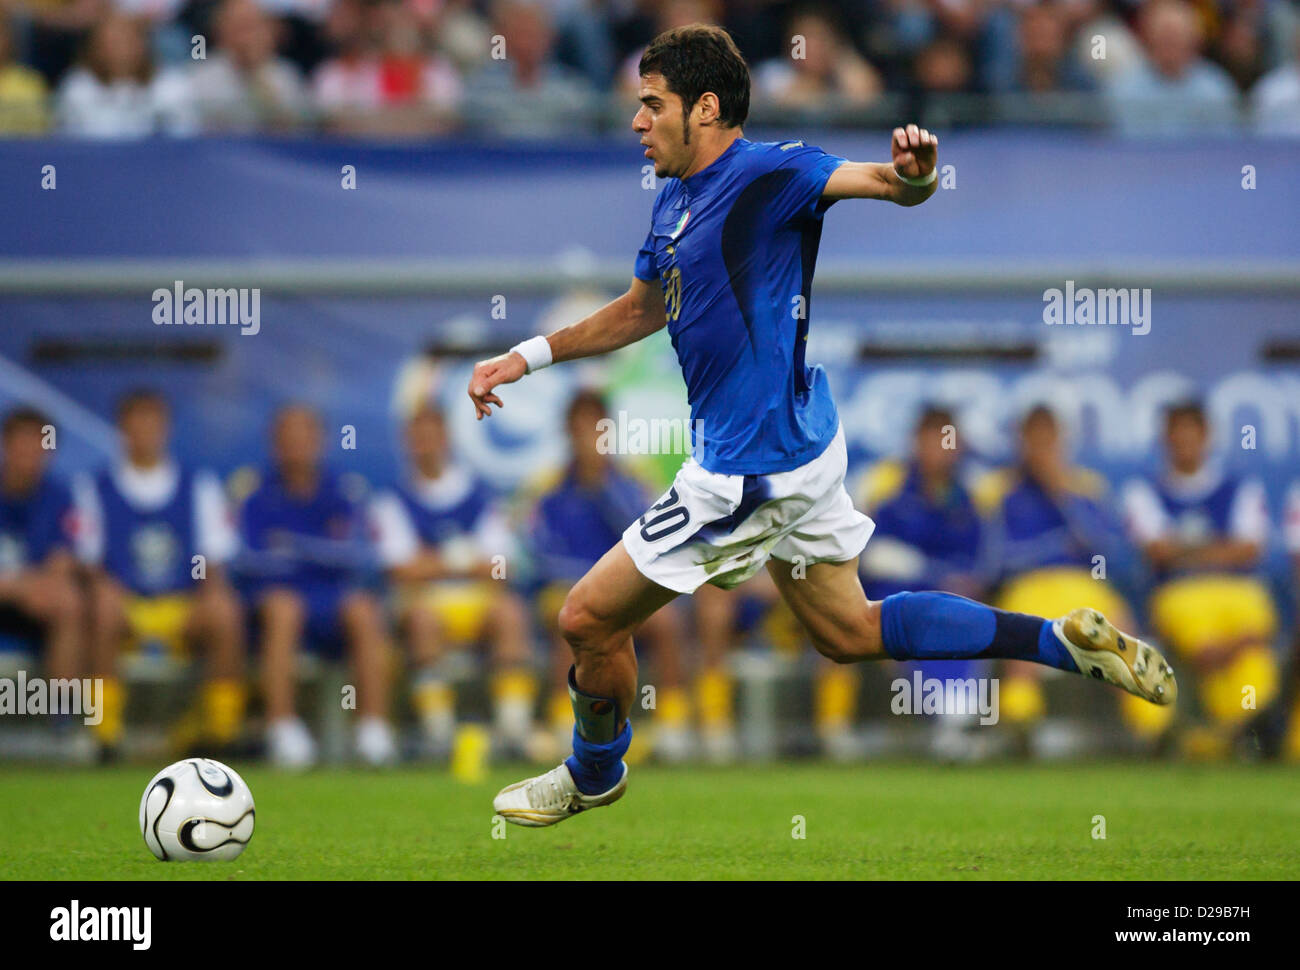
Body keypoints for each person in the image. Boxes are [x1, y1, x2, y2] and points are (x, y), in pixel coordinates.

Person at [468, 23, 1176, 827]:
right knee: (847, 630)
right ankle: (1056, 642)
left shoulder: (773, 171)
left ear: (705, 108)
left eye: (651, 103)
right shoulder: (670, 196)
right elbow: (640, 311)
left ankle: (593, 771)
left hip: (749, 471)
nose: (636, 120)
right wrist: (524, 357)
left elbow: (885, 183)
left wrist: (918, 177)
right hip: (801, 448)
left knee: (586, 618)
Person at [75, 390, 245, 757]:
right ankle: (105, 735)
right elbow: (89, 561)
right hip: (127, 606)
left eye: (153, 423)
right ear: (122, 430)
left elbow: (213, 558)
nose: (145, 432)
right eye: (136, 423)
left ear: (166, 429)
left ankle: (221, 733)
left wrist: (209, 593)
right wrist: (107, 588)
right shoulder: (95, 486)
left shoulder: (198, 484)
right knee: (101, 603)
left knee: (225, 610)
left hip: (183, 605)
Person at [370, 402, 537, 759]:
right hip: (423, 604)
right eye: (418, 438)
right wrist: (461, 559)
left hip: (477, 603)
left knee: (510, 613)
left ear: (447, 438)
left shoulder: (480, 494)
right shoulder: (392, 500)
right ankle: (439, 734)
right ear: (407, 442)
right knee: (422, 621)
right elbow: (400, 570)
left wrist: (432, 561)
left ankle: (513, 731)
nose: (426, 445)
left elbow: (499, 567)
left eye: (432, 436)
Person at [237, 404, 395, 768]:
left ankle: (373, 730)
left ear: (319, 441)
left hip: (332, 599)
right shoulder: (254, 493)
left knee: (363, 609)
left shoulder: (345, 491)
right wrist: (316, 552)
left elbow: (360, 555)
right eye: (287, 437)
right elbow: (247, 558)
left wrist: (292, 547)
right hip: (276, 600)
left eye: (304, 435)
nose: (296, 445)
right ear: (274, 443)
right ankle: (283, 730)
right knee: (283, 608)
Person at [1122, 399, 1277, 757]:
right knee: (1207, 647)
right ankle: (1228, 737)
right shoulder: (1144, 491)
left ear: (1207, 436)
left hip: (1238, 592)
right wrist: (1222, 549)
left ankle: (1232, 733)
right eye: (1176, 435)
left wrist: (1185, 550)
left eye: (1191, 434)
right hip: (1181, 593)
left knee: (1251, 655)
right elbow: (1157, 551)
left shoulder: (1240, 487)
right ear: (1164, 439)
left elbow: (1251, 549)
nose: (1184, 442)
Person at [0, 408, 83, 716]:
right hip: (21, 593)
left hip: (34, 604)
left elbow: (60, 567)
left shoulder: (60, 497)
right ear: (5, 444)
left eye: (38, 444)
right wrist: (19, 587)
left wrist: (22, 588)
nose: (28, 452)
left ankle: (61, 717)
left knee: (68, 601)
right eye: (20, 442)